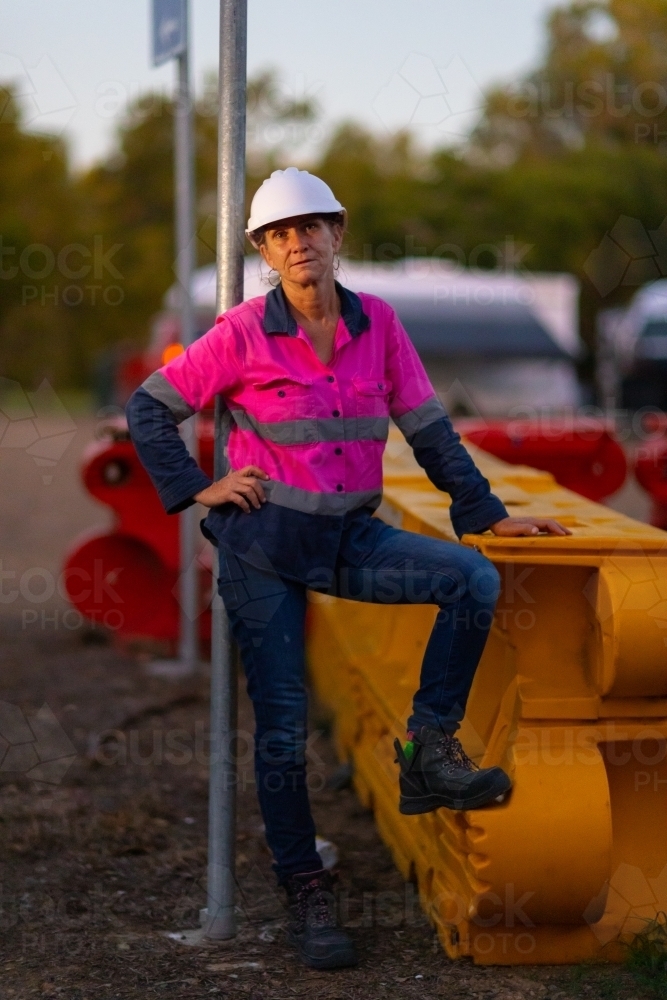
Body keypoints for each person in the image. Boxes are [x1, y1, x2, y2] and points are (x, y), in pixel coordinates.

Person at [126, 167, 570, 970]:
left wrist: (489, 514)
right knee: (285, 727)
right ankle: (305, 888)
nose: (298, 244)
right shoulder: (239, 332)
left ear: (338, 234)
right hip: (263, 546)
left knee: (470, 579)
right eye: (279, 234)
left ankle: (427, 750)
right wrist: (199, 488)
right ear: (264, 251)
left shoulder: (382, 326)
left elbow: (430, 432)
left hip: (349, 539)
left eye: (311, 228)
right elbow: (150, 409)